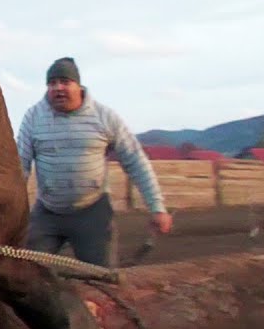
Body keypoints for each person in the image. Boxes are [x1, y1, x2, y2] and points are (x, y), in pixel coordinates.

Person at [16, 57, 172, 267]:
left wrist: (157, 207)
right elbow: (20, 166)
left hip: (92, 213)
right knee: (28, 273)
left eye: (64, 81)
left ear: (78, 85)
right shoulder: (34, 117)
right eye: (52, 83)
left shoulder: (105, 117)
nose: (58, 88)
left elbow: (135, 160)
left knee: (100, 277)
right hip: (47, 213)